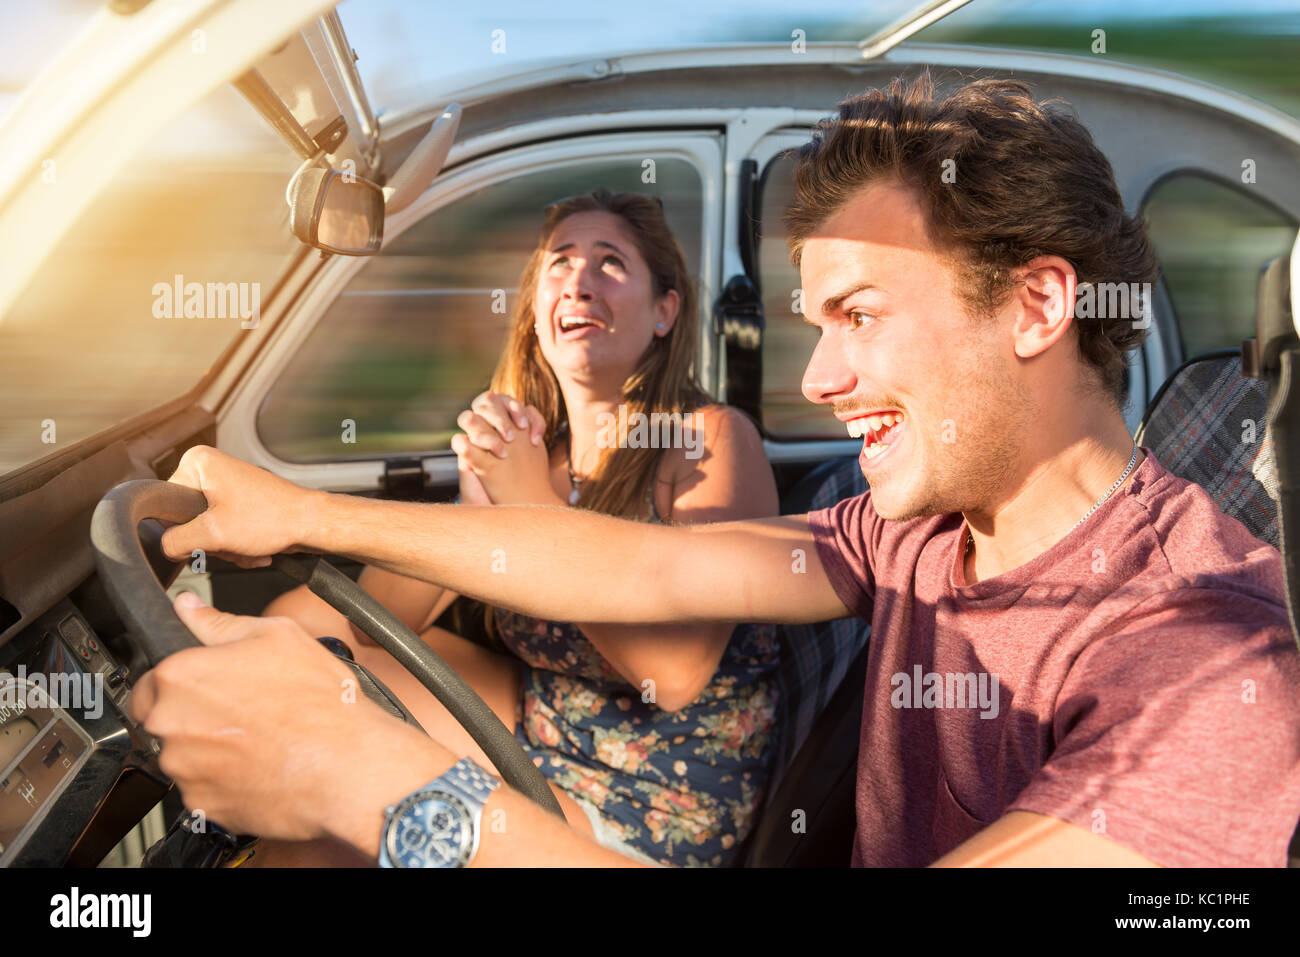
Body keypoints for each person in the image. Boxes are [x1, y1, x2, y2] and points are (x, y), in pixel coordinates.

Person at [132, 73, 1300, 868]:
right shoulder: (919, 534)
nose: (827, 377)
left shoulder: (1207, 667)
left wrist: (372, 787)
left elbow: (663, 654)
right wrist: (293, 508)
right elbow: (633, 570)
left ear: (1038, 305)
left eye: (859, 316)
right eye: (815, 327)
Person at [260, 189, 781, 867]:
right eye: (559, 262)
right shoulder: (542, 454)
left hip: (651, 797)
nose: (580, 281)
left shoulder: (708, 440)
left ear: (664, 311)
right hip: (544, 726)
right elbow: (375, 620)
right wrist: (475, 510)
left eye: (611, 263)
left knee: (324, 837)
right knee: (300, 631)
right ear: (536, 312)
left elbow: (675, 673)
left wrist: (531, 505)